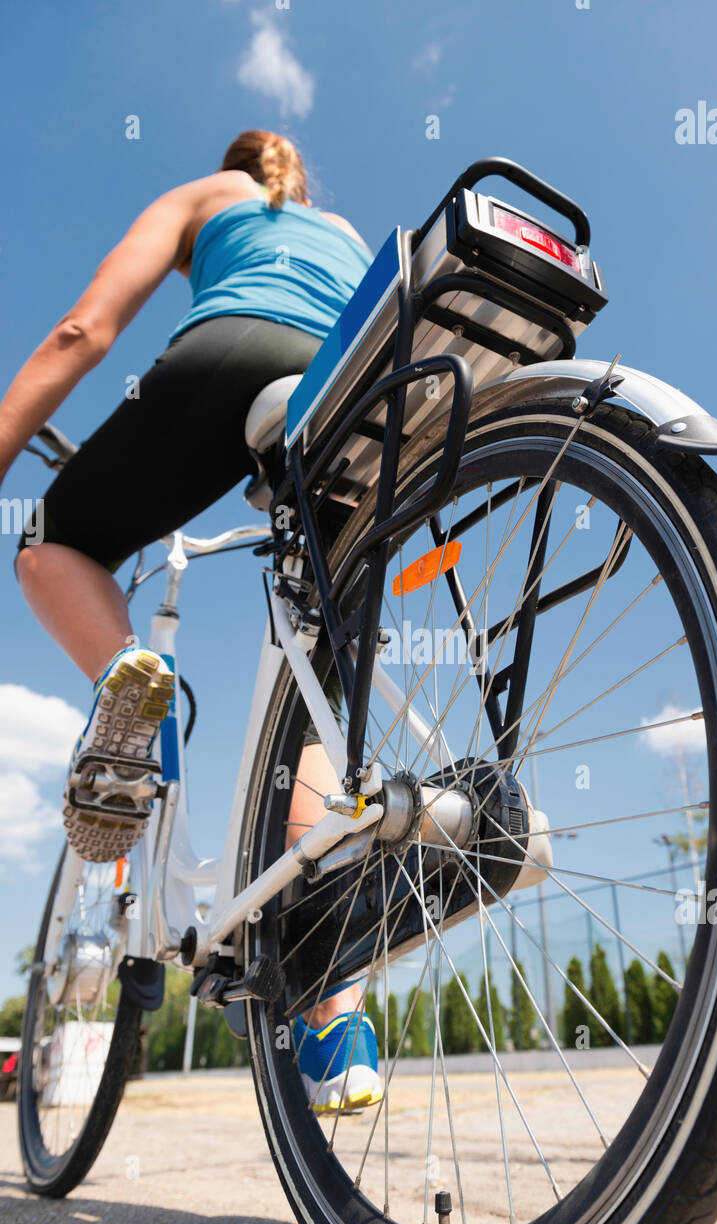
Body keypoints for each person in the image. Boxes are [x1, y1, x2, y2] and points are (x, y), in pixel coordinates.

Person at [0, 129, 380, 1112]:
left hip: (232, 355)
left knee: (54, 546)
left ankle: (127, 671)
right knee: (313, 719)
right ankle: (335, 1021)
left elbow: (84, 331)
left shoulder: (205, 198)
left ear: (240, 165)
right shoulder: (336, 225)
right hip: (354, 400)